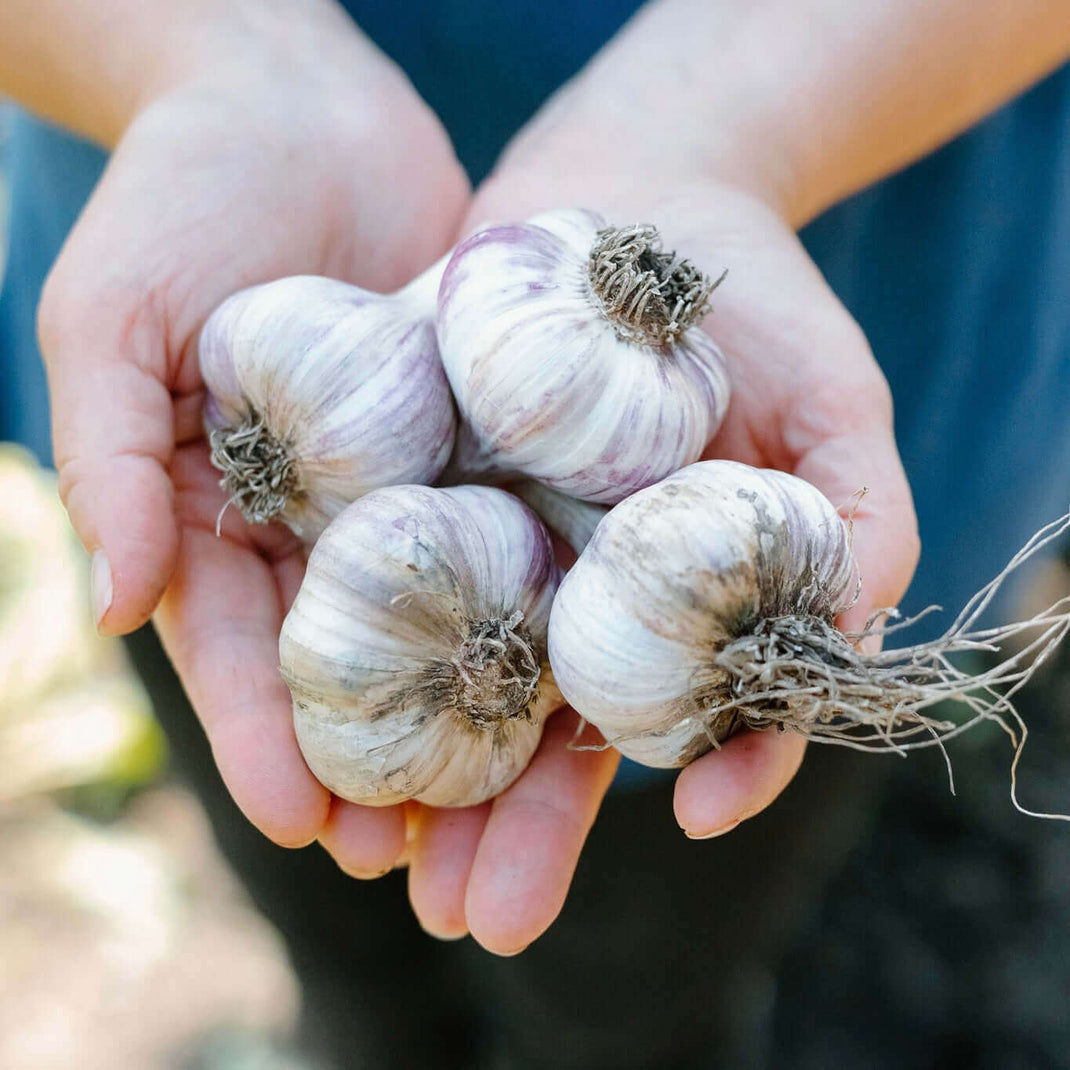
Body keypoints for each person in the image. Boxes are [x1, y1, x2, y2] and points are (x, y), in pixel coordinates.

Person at [2, 2, 1069, 1065]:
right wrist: (207, 58)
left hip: (878, 199)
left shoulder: (698, 426)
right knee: (335, 924)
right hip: (201, 216)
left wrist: (719, 130)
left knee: (641, 977)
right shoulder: (636, 412)